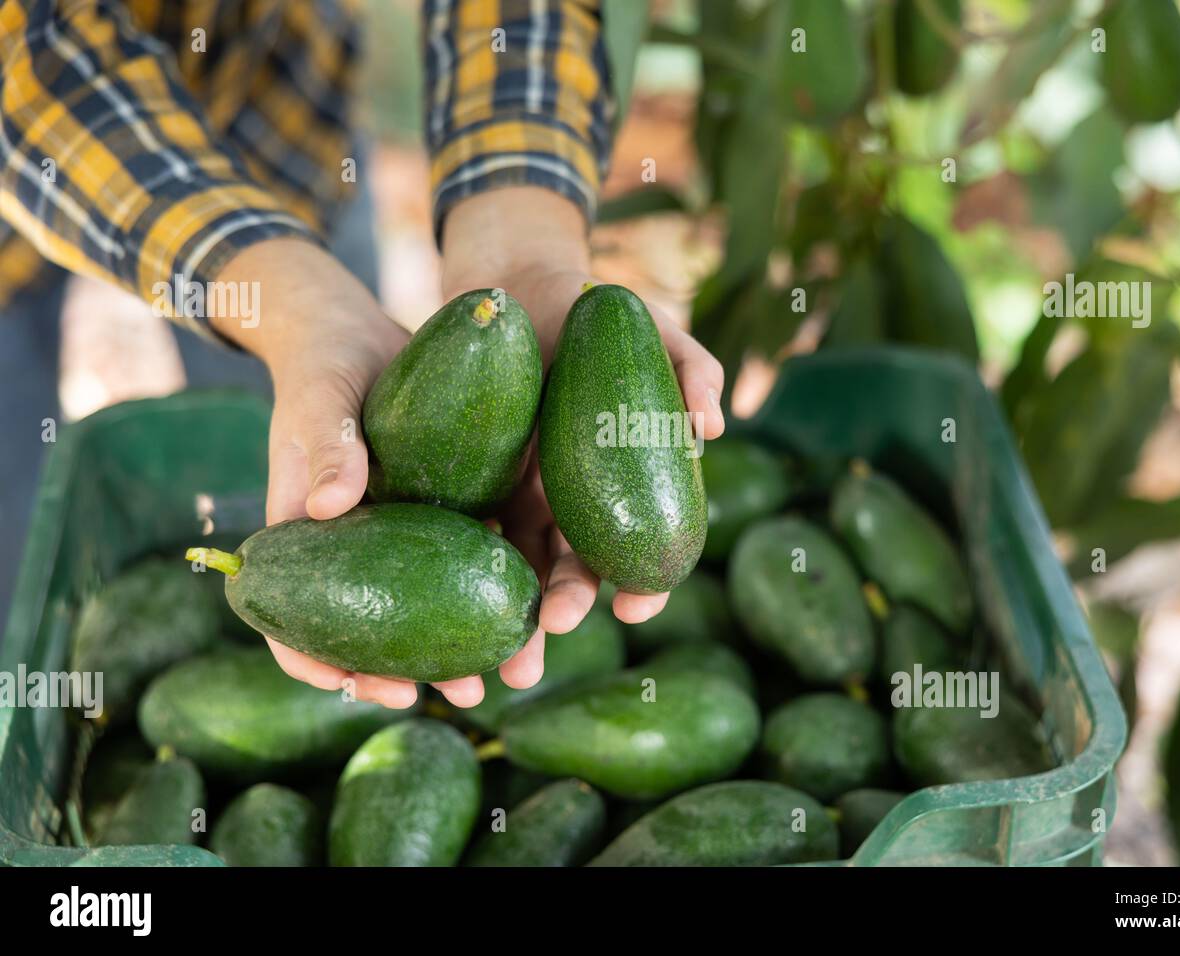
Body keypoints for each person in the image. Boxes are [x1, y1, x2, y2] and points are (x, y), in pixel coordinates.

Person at [0, 1, 725, 708]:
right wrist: (299, 312)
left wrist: (522, 243)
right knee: (21, 531)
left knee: (309, 444)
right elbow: (22, 58)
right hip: (29, 186)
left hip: (284, 103)